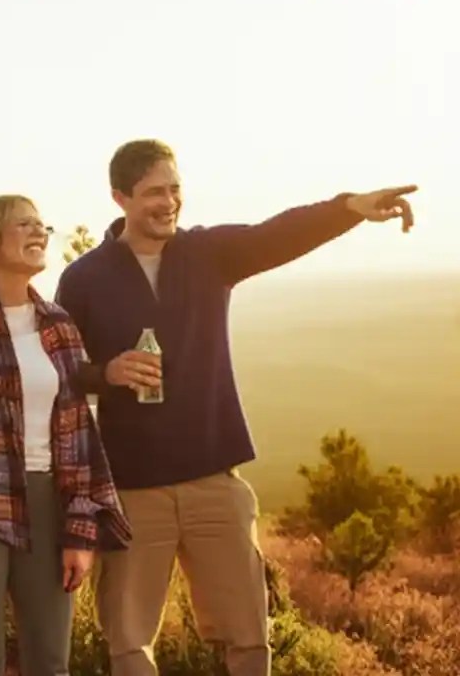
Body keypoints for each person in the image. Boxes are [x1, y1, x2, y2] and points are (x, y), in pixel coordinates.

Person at [54, 138, 419, 676]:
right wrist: (104, 372)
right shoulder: (84, 278)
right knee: (129, 644)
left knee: (249, 637)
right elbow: (60, 373)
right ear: (120, 198)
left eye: (175, 188)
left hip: (215, 482)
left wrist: (348, 209)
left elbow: (277, 235)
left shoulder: (208, 253)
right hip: (132, 488)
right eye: (154, 191)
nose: (169, 202)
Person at [0, 194, 131, 676]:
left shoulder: (59, 323)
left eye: (42, 225)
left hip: (49, 499)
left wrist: (80, 529)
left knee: (51, 659)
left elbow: (78, 431)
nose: (39, 232)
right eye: (24, 224)